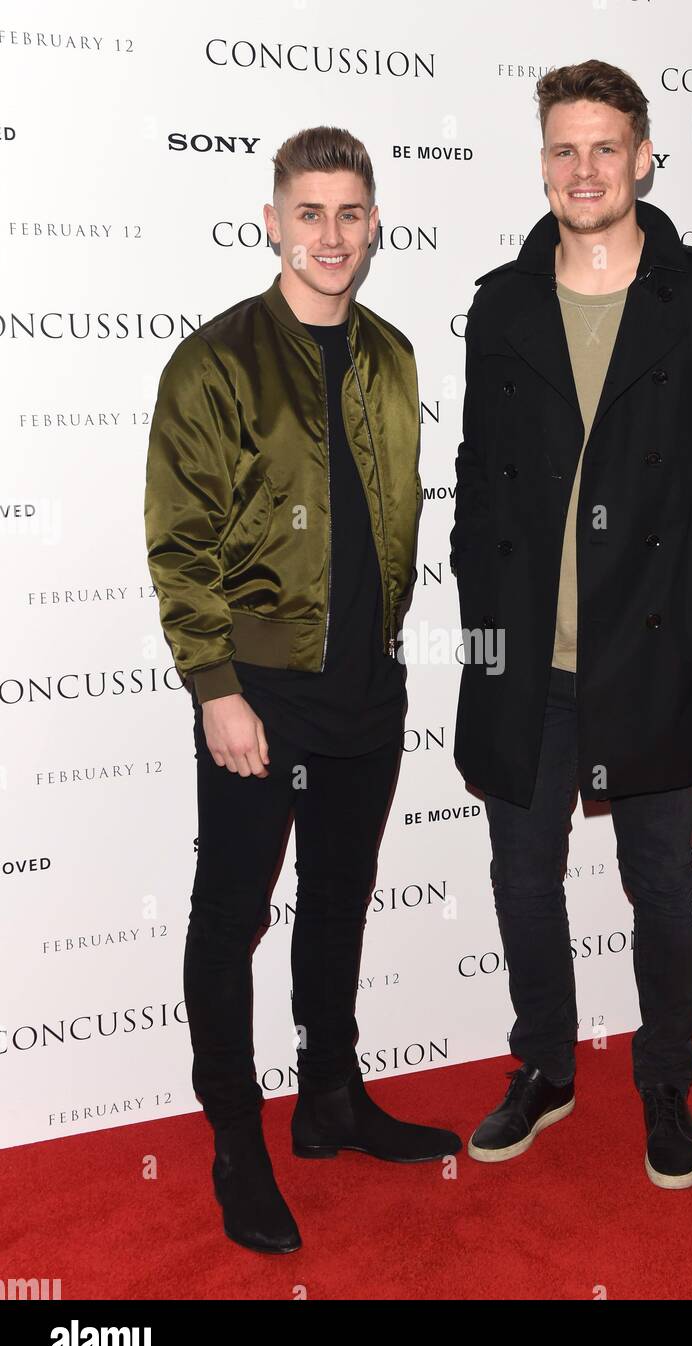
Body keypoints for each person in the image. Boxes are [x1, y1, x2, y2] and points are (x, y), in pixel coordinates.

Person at [450, 61, 692, 1187]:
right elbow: (476, 478)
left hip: (656, 649)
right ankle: (544, 1067)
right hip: (526, 660)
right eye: (563, 148)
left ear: (642, 156)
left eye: (604, 147)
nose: (584, 168)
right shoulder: (501, 303)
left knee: (660, 881)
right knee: (518, 874)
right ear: (541, 161)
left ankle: (663, 1082)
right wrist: (479, 617)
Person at [145, 126, 461, 1255]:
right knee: (230, 914)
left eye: (350, 213)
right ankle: (237, 1139)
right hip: (258, 690)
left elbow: (389, 518)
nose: (330, 235)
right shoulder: (216, 361)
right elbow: (180, 546)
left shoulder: (392, 355)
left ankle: (328, 1096)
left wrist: (384, 652)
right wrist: (215, 688)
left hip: (365, 683)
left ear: (373, 224)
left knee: (336, 897)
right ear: (272, 220)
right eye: (309, 213)